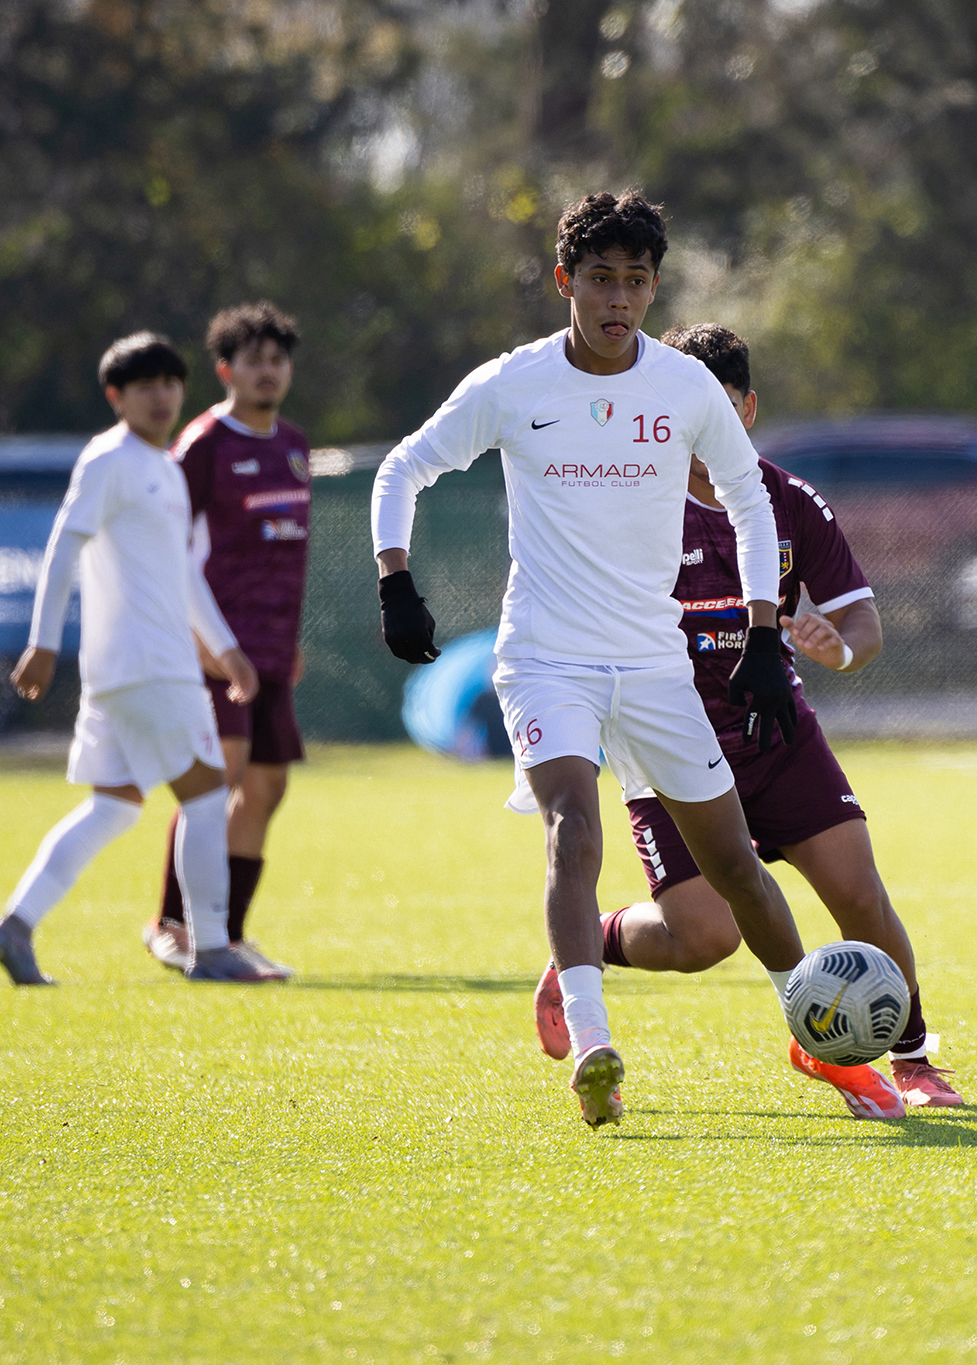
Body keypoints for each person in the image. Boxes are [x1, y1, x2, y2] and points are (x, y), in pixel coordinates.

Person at [371, 190, 815, 1129]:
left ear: (654, 290)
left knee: (734, 865)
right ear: (566, 281)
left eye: (638, 281)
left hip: (654, 664)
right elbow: (401, 467)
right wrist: (395, 578)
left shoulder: (685, 388)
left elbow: (747, 498)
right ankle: (592, 1042)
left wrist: (767, 633)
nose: (619, 299)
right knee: (574, 826)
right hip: (546, 657)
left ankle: (820, 1036)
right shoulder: (512, 383)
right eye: (602, 279)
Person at [533, 323, 963, 1114]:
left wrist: (837, 650)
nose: (702, 430)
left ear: (749, 409)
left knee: (859, 894)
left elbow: (862, 621)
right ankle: (588, 943)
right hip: (669, 748)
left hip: (776, 738)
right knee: (705, 938)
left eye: (721, 410)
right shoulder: (627, 505)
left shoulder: (789, 501)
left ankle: (912, 1057)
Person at [0, 332, 265, 986]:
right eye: (145, 386)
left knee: (114, 805)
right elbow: (63, 545)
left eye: (169, 383)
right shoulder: (109, 459)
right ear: (117, 396)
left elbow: (183, 575)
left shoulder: (164, 468)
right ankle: (213, 948)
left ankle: (15, 926)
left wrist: (227, 652)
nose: (161, 396)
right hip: (149, 667)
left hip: (139, 669)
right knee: (206, 791)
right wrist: (42, 642)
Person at [142, 302, 310, 981]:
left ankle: (229, 934)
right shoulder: (204, 444)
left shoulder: (295, 445)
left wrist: (287, 641)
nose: (267, 372)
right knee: (217, 783)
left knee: (266, 787)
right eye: (253, 360)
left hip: (271, 650)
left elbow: (288, 551)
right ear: (225, 370)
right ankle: (174, 924)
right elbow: (170, 548)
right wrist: (200, 636)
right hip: (214, 648)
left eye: (277, 359)